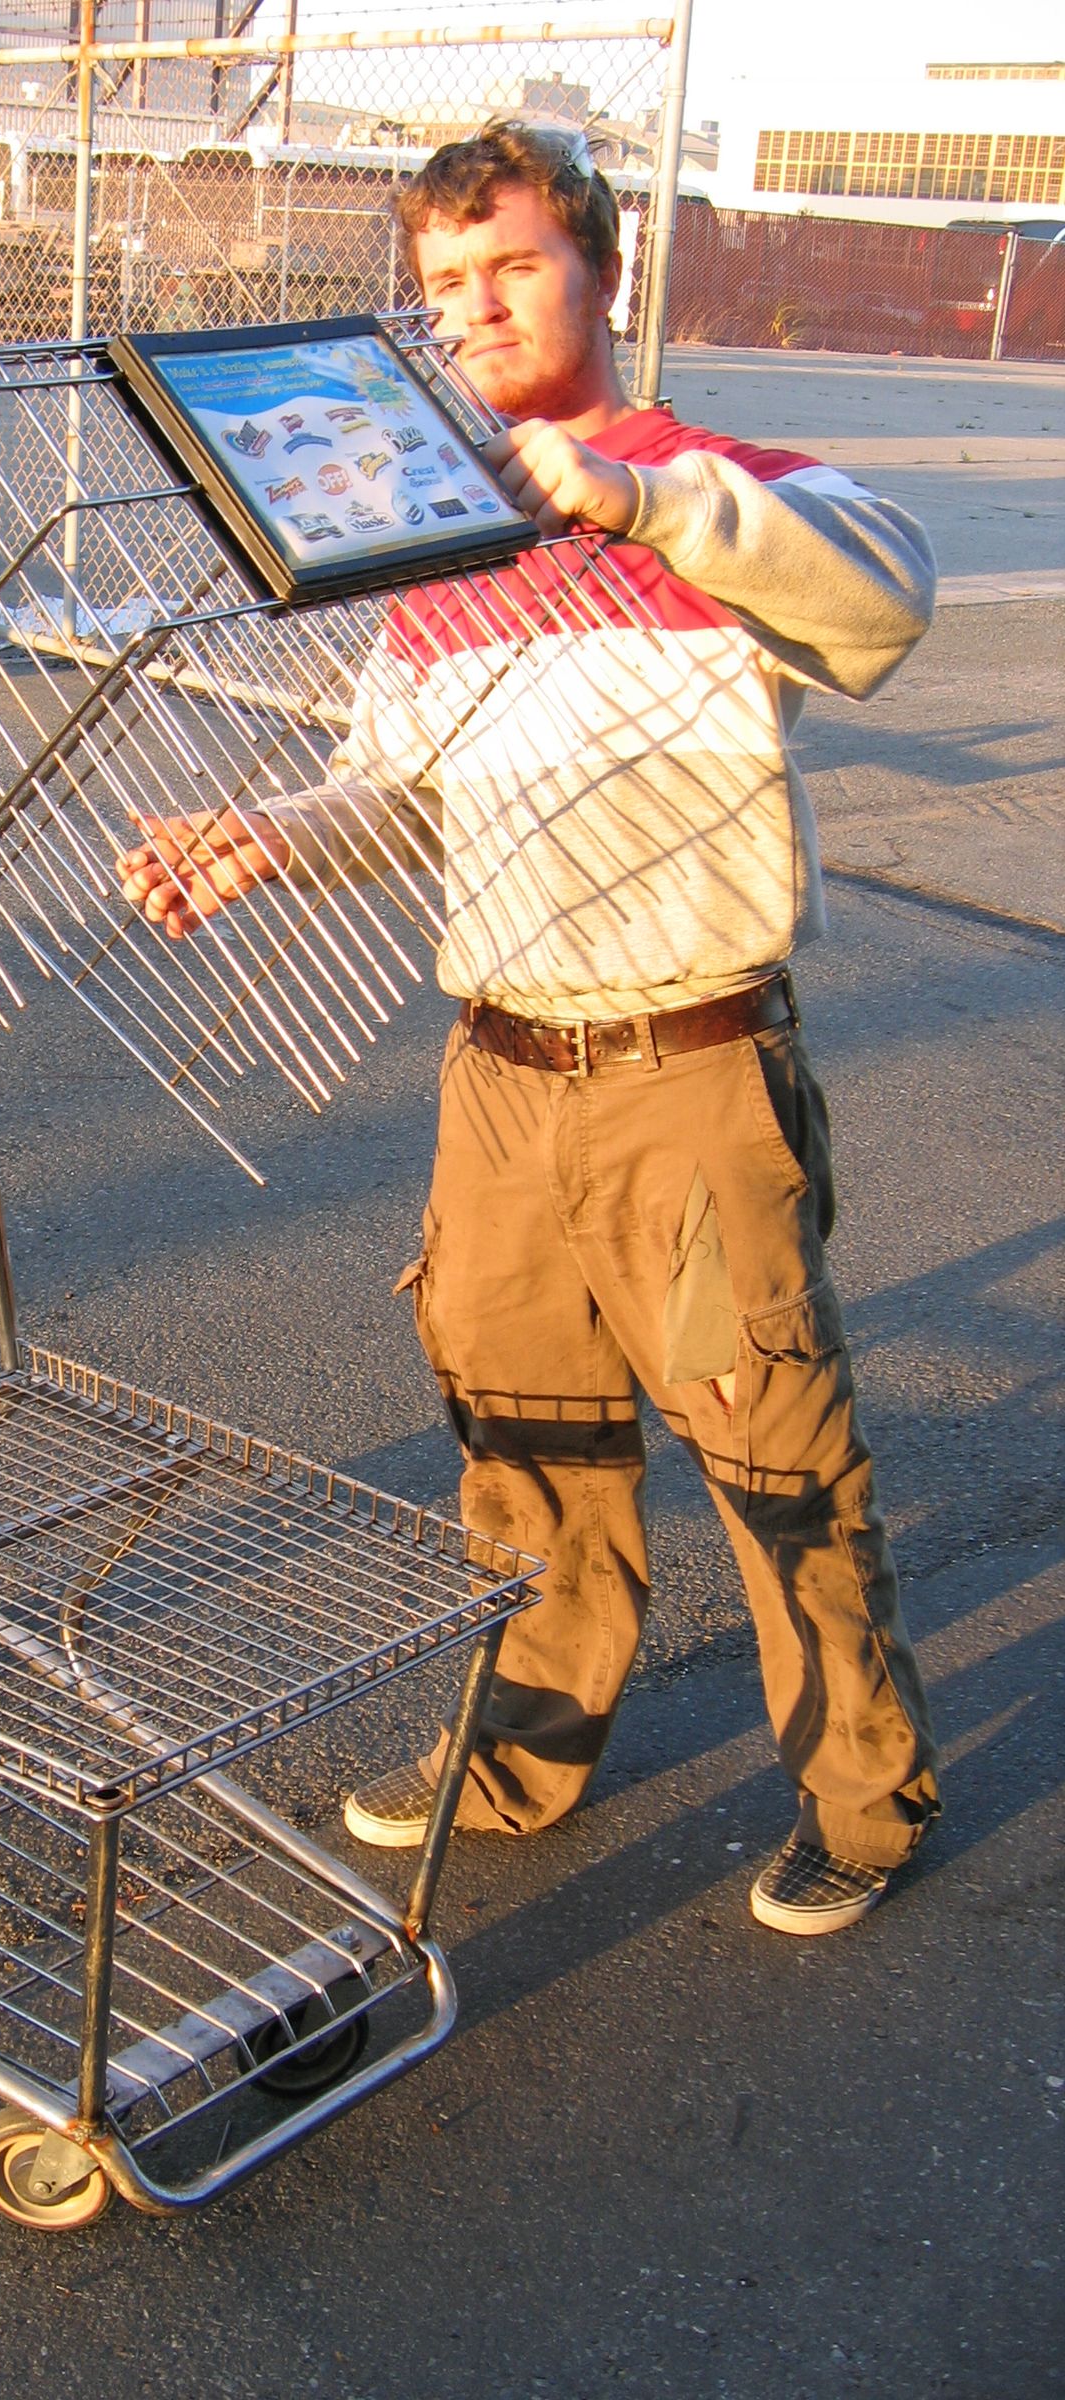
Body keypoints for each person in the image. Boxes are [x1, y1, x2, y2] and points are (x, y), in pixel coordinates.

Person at [117, 122, 941, 1938]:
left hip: (690, 1068)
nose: (475, 310)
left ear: (600, 274)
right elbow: (400, 794)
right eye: (442, 288)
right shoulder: (436, 533)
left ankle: (866, 1803)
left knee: (769, 1446)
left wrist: (634, 500)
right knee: (522, 1432)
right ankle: (525, 1748)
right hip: (500, 1072)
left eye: (511, 268)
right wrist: (267, 839)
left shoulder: (709, 492)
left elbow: (890, 599)